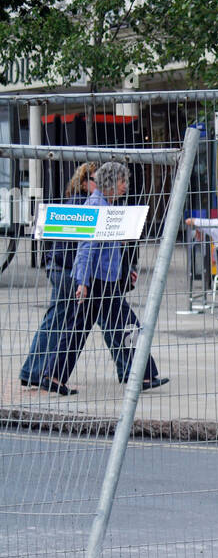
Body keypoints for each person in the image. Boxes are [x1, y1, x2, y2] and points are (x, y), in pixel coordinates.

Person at [42, 160, 168, 394]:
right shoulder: (96, 206)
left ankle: (55, 375)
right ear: (109, 182)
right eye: (122, 181)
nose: (125, 186)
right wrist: (83, 282)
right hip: (98, 282)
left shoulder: (106, 206)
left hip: (105, 280)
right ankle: (143, 375)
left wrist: (123, 267)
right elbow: (86, 247)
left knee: (84, 328)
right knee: (120, 326)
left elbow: (108, 248)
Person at [20, 162, 97, 394]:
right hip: (66, 270)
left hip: (59, 267)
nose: (100, 183)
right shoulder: (83, 204)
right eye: (95, 179)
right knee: (59, 320)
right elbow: (75, 247)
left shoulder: (73, 201)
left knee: (57, 319)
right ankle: (38, 372)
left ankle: (35, 372)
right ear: (84, 182)